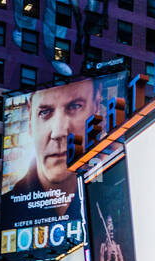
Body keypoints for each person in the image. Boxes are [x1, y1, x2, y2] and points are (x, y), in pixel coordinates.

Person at [7, 79, 99, 220]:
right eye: (45, 112)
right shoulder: (9, 211)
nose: (58, 132)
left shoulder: (113, 197)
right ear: (30, 120)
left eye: (75, 106)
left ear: (96, 107)